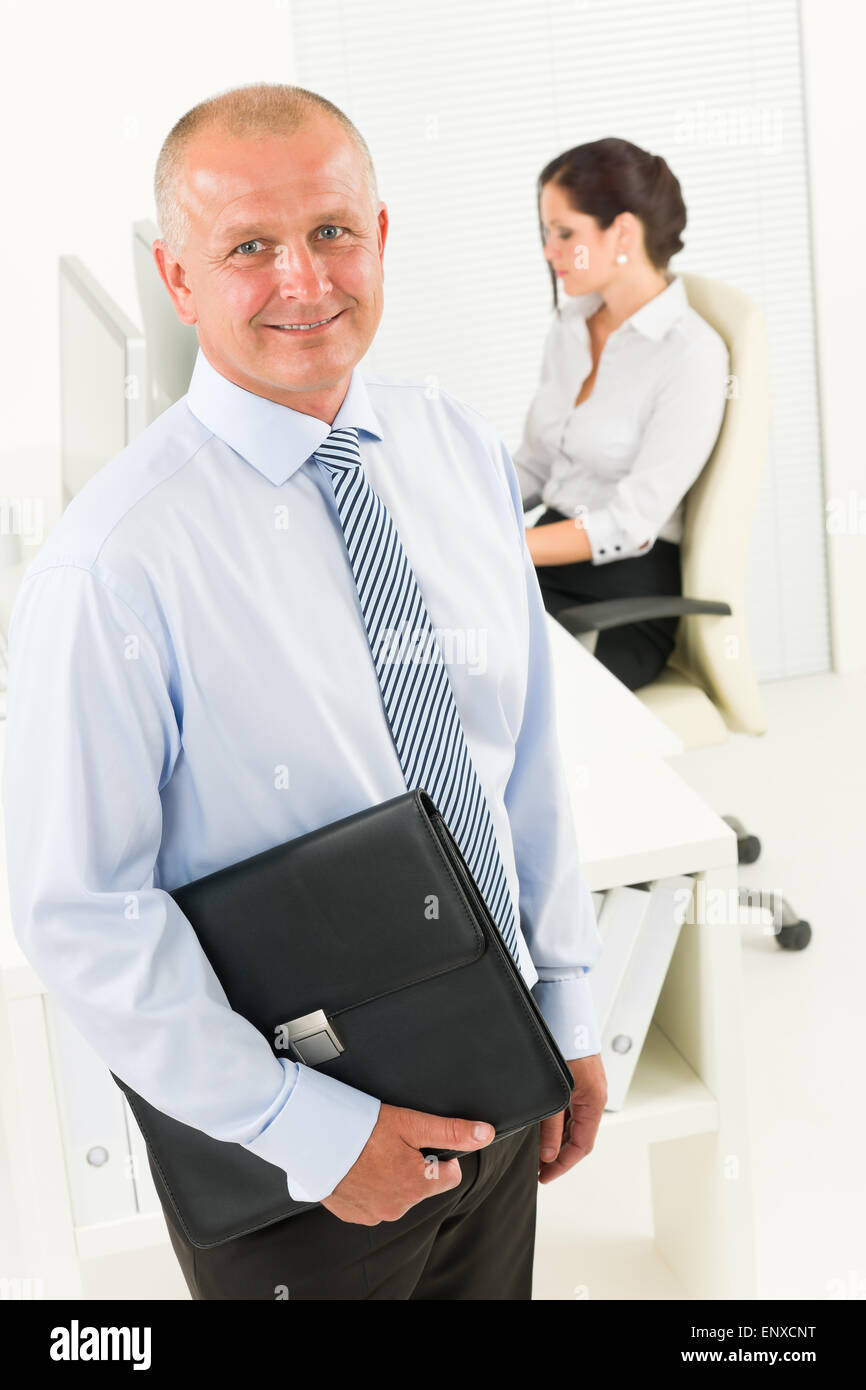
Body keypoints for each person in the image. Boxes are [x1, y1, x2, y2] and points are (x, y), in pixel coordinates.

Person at [1, 83, 606, 1301]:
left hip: (497, 1066)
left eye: (331, 230)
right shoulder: (113, 565)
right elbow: (82, 913)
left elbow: (521, 750)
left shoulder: (452, 449)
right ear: (178, 282)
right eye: (247, 248)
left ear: (380, 235)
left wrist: (567, 998)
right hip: (295, 1155)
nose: (303, 279)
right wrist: (314, 1132)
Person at [515, 137, 730, 692]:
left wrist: (503, 545)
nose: (549, 251)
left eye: (565, 233)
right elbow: (536, 467)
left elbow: (631, 526)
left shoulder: (691, 355)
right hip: (542, 562)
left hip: (622, 596)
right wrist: (460, 509)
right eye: (548, 234)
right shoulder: (569, 329)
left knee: (493, 692)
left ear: (623, 234)